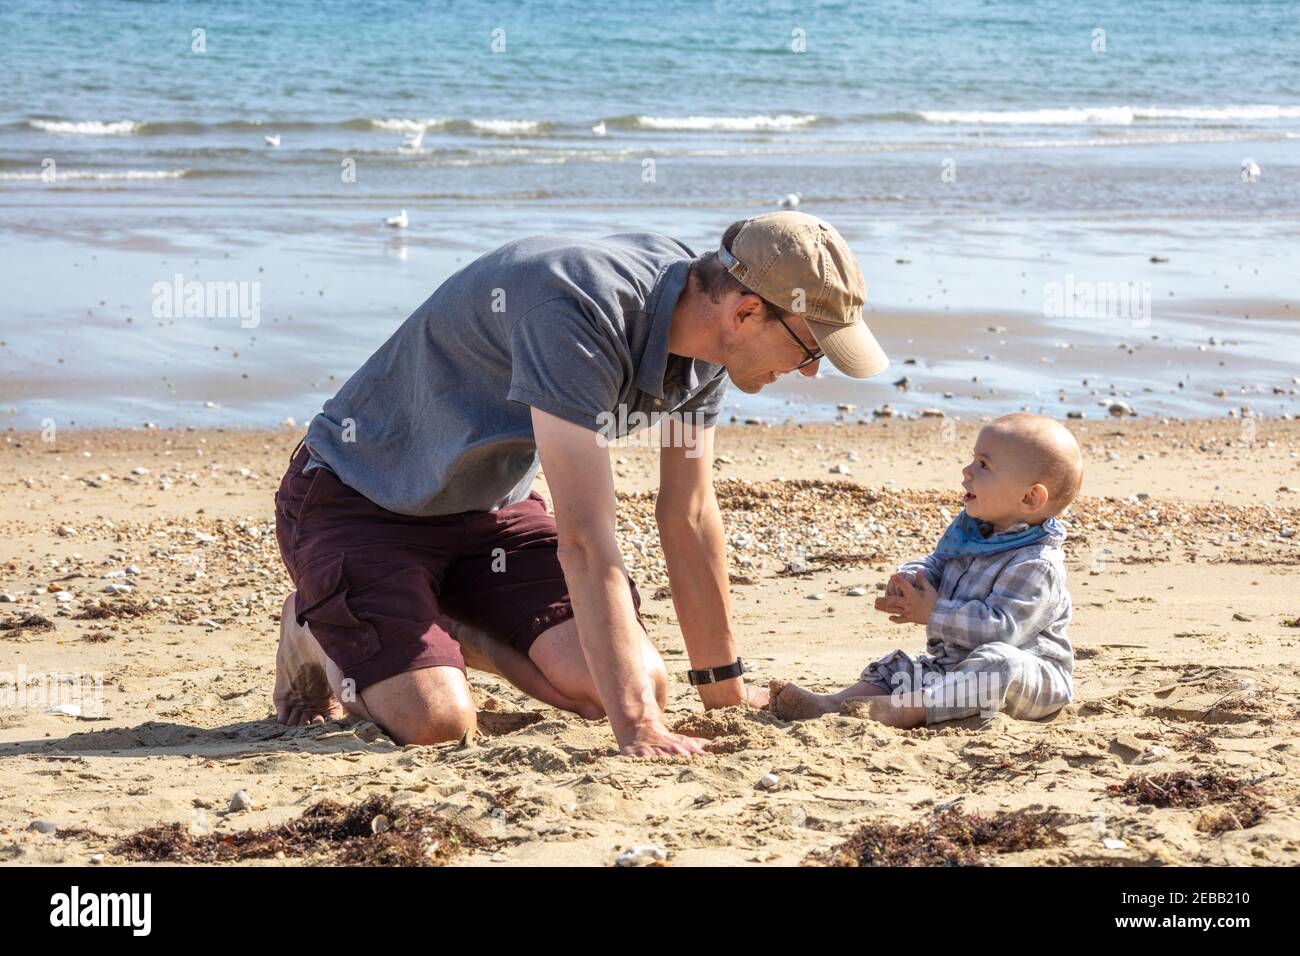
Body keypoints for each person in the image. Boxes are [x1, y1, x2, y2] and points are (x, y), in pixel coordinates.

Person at [274, 211, 889, 756]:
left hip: (488, 513)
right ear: (746, 311)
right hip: (360, 500)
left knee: (630, 681)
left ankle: (438, 620)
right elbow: (587, 540)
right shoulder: (575, 314)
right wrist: (639, 728)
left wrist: (724, 691)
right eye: (810, 349)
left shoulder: (714, 336)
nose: (809, 369)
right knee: (437, 721)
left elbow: (690, 515)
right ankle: (312, 623)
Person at [770, 413, 1083, 728]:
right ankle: (833, 703)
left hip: (1029, 680)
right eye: (972, 460)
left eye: (983, 465)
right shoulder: (974, 532)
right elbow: (939, 562)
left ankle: (908, 710)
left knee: (998, 665)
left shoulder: (1037, 564)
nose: (967, 471)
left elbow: (1001, 630)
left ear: (1030, 497)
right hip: (951, 666)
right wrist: (913, 579)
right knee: (899, 667)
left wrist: (934, 612)